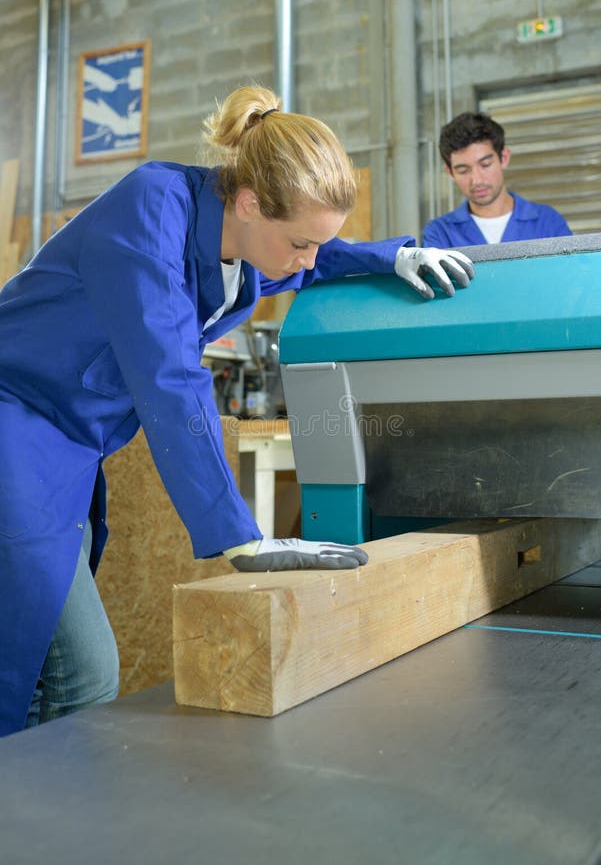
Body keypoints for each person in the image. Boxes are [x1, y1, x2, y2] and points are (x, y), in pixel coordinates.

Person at [0, 85, 474, 737]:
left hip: (69, 446)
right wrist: (239, 535)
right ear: (249, 202)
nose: (308, 262)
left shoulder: (244, 242)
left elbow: (314, 251)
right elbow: (169, 379)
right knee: (66, 672)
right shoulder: (148, 215)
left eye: (315, 246)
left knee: (44, 667)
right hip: (16, 427)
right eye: (301, 245)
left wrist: (387, 256)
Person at [422, 111, 572, 247]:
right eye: (463, 170)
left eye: (485, 165)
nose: (477, 180)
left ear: (504, 158)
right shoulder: (440, 234)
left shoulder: (547, 222)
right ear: (450, 172)